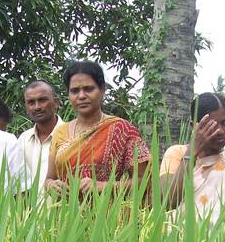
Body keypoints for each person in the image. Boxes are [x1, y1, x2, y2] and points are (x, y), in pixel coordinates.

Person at [44, 60, 150, 198]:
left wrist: (104, 186)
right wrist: (51, 185)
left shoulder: (122, 129)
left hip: (107, 216)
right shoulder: (60, 132)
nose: (81, 96)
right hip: (66, 215)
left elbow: (145, 179)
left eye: (88, 89)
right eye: (75, 91)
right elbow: (49, 178)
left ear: (102, 90)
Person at [160, 93, 225, 224]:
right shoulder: (177, 153)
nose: (220, 131)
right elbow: (168, 202)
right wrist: (192, 151)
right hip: (179, 240)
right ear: (194, 126)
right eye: (211, 125)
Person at [17, 80, 63, 190]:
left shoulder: (71, 136)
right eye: (31, 102)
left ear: (56, 102)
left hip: (63, 206)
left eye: (42, 100)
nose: (37, 107)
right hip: (28, 207)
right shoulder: (23, 140)